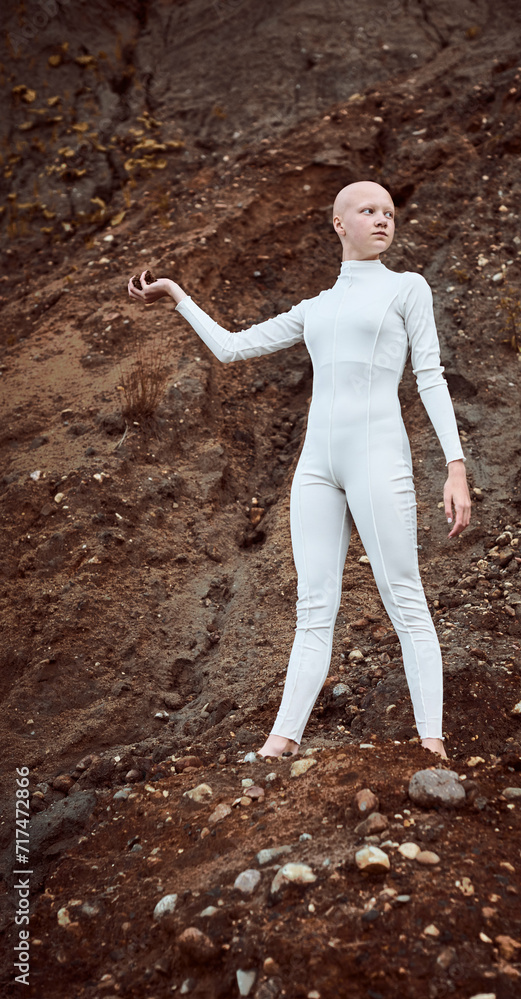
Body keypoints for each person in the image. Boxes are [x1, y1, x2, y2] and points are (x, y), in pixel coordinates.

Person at [128, 180, 471, 759]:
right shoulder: (316, 308)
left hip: (378, 457)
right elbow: (231, 348)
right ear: (339, 223)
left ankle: (430, 742)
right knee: (313, 607)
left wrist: (455, 467)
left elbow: (430, 377)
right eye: (369, 210)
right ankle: (281, 740)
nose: (382, 220)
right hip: (316, 468)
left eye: (389, 212)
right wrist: (178, 296)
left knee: (405, 598)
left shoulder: (407, 288)